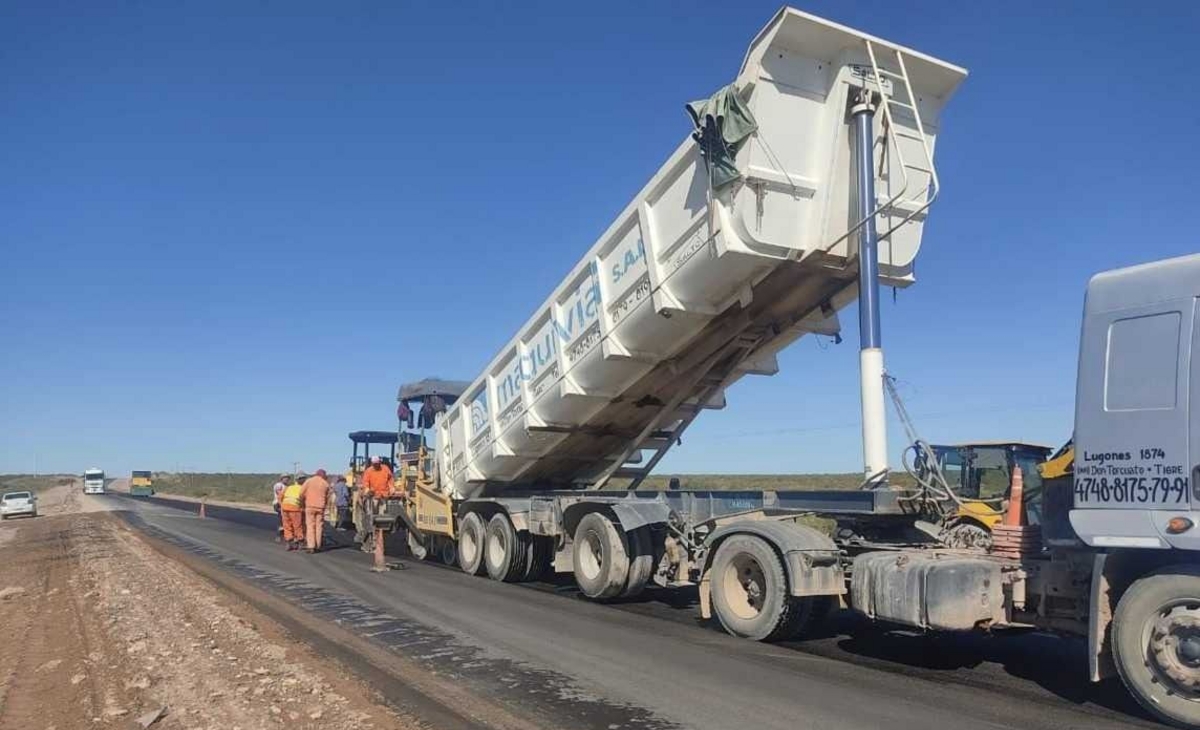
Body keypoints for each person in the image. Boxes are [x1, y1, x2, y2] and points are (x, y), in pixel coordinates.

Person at [357, 456, 394, 552]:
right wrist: (367, 489)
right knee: (372, 518)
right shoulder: (369, 471)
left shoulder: (385, 469)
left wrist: (391, 487)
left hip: (383, 496)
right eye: (374, 464)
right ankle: (372, 540)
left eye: (377, 463)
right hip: (373, 497)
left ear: (379, 462)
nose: (376, 465)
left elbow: (390, 479)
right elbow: (365, 482)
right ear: (372, 463)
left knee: (382, 519)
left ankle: (379, 539)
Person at [302, 469, 333, 554]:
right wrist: (326, 505)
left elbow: (301, 493)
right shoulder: (325, 483)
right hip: (320, 507)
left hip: (310, 506)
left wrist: (303, 500)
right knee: (319, 526)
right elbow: (329, 496)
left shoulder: (309, 481)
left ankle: (311, 546)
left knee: (310, 526)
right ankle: (318, 545)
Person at [279, 477, 305, 551]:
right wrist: (303, 508)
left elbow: (280, 496)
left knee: (287, 526)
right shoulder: (303, 488)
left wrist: (282, 505)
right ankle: (300, 542)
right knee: (297, 526)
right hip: (295, 508)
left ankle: (288, 542)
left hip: (285, 507)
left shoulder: (289, 487)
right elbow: (304, 499)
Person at [271, 474, 288, 542]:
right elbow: (279, 494)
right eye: (285, 478)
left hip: (284, 504)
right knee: (281, 519)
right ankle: (278, 536)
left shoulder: (286, 486)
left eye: (287, 478)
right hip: (278, 503)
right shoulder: (279, 485)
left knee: (285, 520)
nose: (286, 479)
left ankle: (284, 535)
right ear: (281, 478)